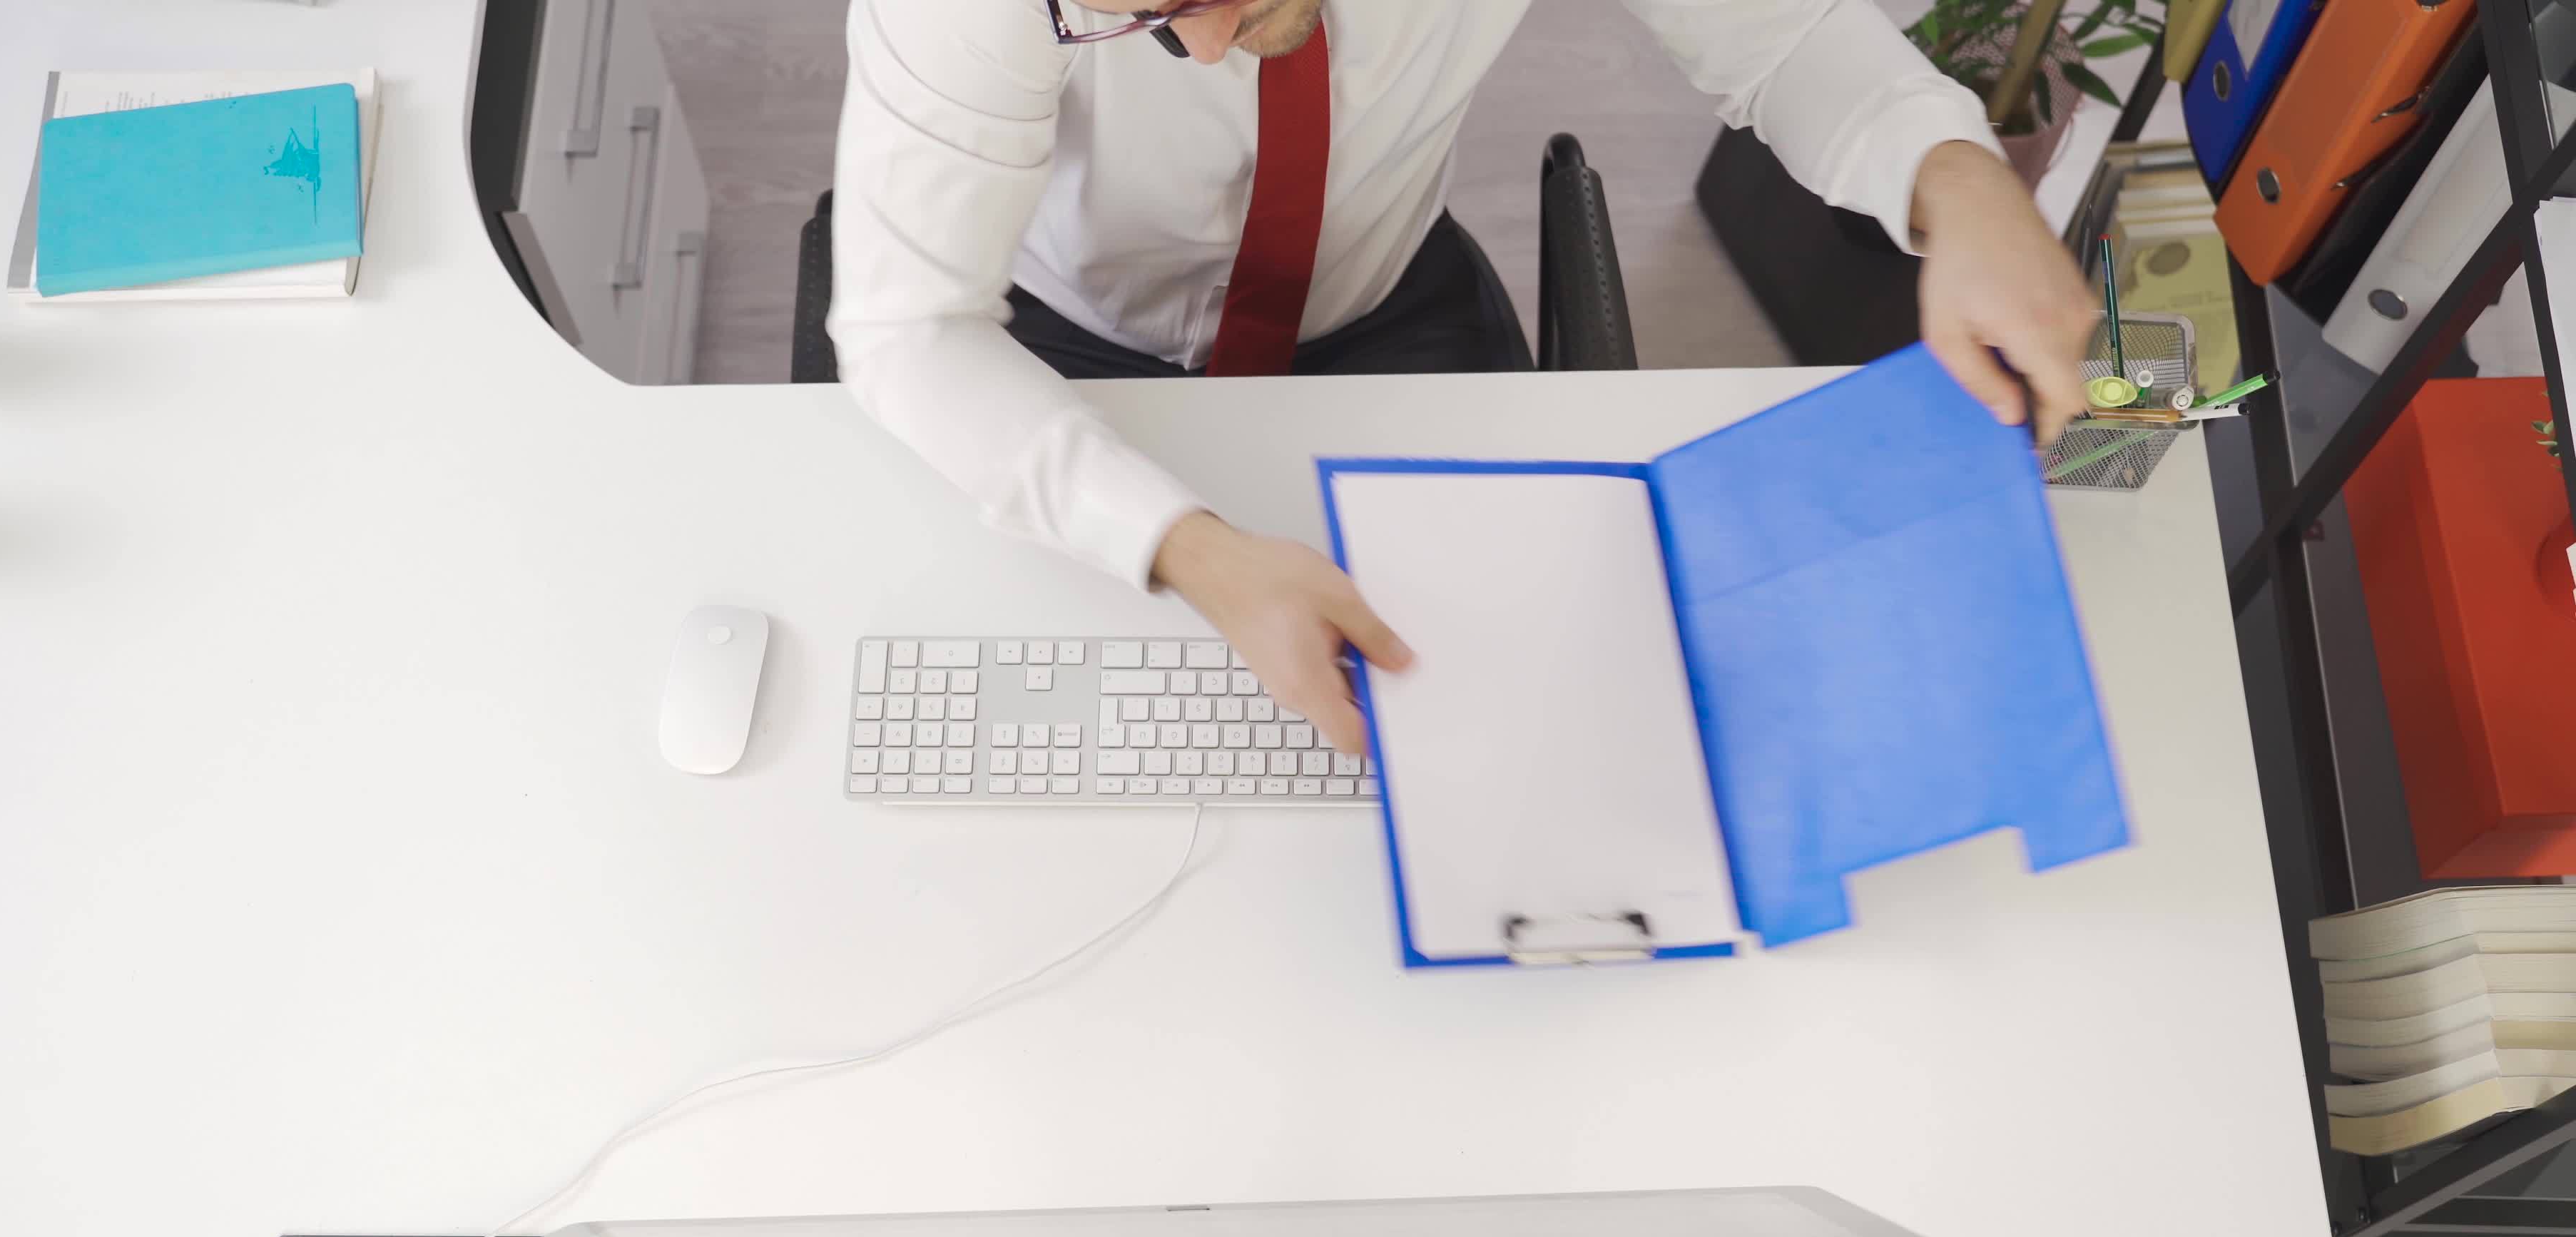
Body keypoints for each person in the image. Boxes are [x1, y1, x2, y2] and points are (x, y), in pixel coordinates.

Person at [829, 0, 2101, 753]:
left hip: (1381, 303)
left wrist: (1963, 179)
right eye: (1139, 12)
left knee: (1519, 706)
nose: (1205, 47)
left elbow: (1781, 36)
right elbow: (909, 328)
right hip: (1064, 339)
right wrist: (1193, 552)